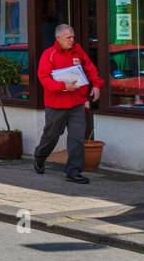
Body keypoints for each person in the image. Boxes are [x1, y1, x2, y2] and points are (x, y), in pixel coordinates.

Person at [33, 23, 103, 183]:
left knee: (77, 138)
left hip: (77, 103)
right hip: (56, 105)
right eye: (68, 37)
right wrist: (63, 86)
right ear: (58, 38)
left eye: (73, 37)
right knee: (51, 136)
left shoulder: (77, 50)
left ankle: (73, 171)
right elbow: (43, 78)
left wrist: (97, 85)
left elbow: (90, 68)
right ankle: (40, 156)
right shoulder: (48, 55)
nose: (72, 40)